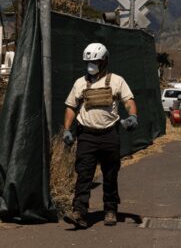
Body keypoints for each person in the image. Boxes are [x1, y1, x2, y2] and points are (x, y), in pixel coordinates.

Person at [62, 43, 138, 229]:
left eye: (95, 61)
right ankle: (79, 211)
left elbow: (128, 100)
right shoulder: (80, 83)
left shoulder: (117, 81)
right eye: (88, 61)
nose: (91, 65)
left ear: (104, 61)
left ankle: (110, 209)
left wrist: (133, 116)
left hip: (109, 134)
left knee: (110, 174)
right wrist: (66, 129)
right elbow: (71, 106)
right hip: (86, 135)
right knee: (84, 174)